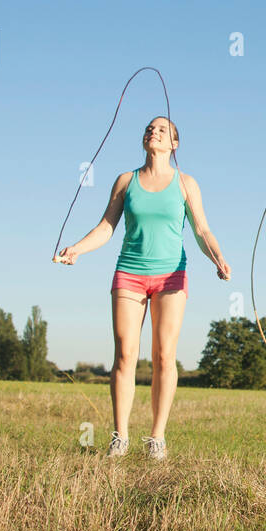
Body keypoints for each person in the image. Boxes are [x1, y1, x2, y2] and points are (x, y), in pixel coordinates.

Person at [53, 116, 230, 459]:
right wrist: (76, 249)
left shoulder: (186, 183)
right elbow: (106, 227)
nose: (154, 131)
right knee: (125, 355)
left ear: (174, 144)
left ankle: (157, 439)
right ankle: (120, 437)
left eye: (163, 129)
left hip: (170, 277)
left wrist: (218, 259)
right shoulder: (126, 180)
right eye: (150, 128)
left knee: (164, 356)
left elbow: (201, 230)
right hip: (129, 273)